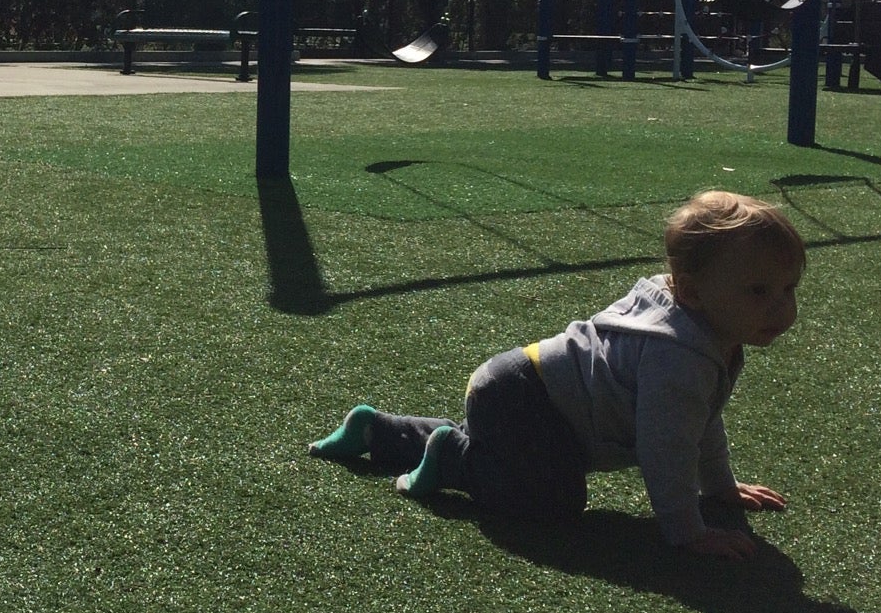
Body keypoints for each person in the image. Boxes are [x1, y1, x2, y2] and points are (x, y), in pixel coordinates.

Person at [308, 190, 804, 561]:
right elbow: (667, 446)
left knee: (521, 460)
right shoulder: (677, 357)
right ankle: (454, 458)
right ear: (693, 293)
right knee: (554, 502)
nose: (782, 309)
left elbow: (700, 421)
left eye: (788, 288)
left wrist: (719, 486)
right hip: (524, 398)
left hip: (522, 387)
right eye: (758, 292)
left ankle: (376, 429)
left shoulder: (704, 332)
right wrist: (687, 530)